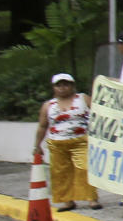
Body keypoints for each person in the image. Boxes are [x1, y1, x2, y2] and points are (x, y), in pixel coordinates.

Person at [34, 73, 98, 211]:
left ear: (72, 86)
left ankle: (91, 199)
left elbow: (99, 113)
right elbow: (42, 126)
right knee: (61, 173)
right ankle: (67, 201)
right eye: (59, 85)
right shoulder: (48, 105)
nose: (63, 88)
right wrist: (37, 145)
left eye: (66, 84)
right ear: (54, 88)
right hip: (57, 143)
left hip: (81, 141)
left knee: (85, 168)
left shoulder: (83, 99)